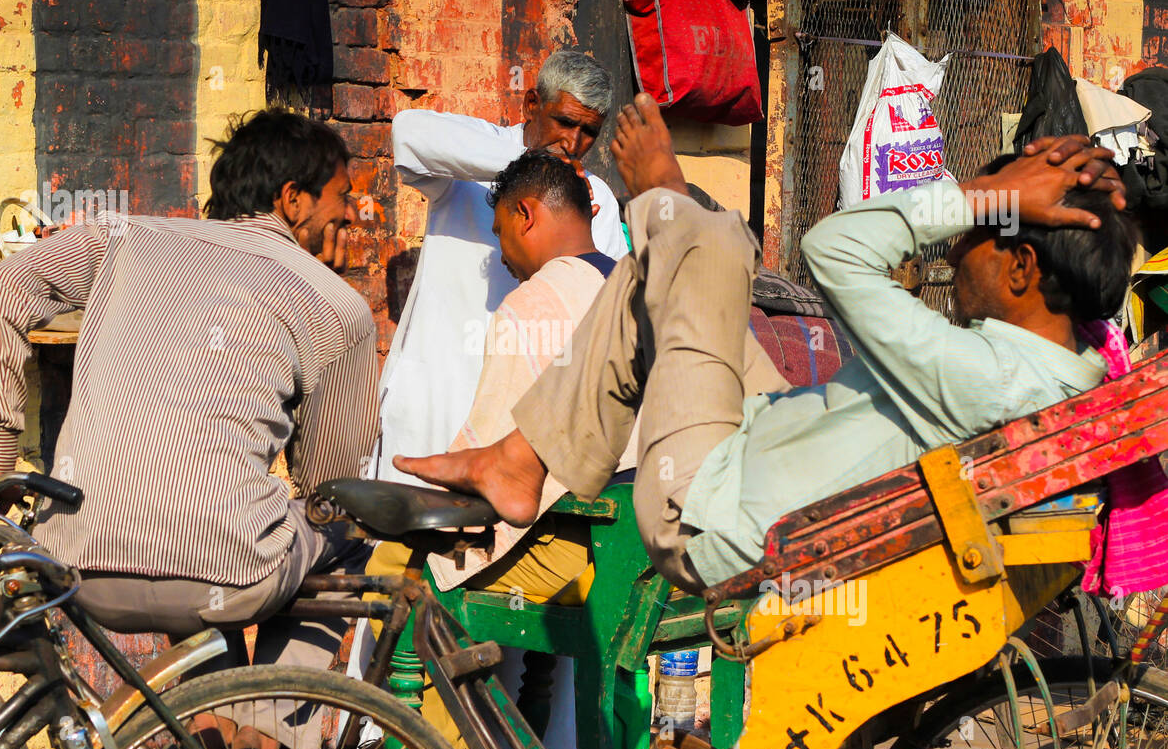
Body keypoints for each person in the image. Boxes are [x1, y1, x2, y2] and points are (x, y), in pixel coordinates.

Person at [396, 93, 1136, 596]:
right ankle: (521, 457)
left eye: (974, 234)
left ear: (1021, 267)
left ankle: (522, 452)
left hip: (709, 510)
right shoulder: (1053, 366)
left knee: (693, 240)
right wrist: (1012, 190)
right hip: (764, 444)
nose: (954, 249)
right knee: (683, 254)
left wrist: (991, 193)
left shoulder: (990, 376)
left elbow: (835, 247)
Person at [0, 108, 377, 749]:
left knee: (227, 527)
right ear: (293, 199)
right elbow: (332, 485)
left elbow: (5, 287)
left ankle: (208, 725)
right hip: (227, 582)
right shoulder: (334, 303)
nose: (351, 215)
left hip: (78, 564)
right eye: (341, 197)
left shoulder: (124, 238)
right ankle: (269, 735)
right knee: (338, 530)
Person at [365, 149, 635, 749]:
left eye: (502, 236)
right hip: (634, 542)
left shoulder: (535, 305)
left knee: (403, 572)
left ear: (526, 213)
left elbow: (489, 463)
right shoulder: (627, 288)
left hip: (577, 546)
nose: (504, 258)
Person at [373, 50, 628, 485]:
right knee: (402, 537)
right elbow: (407, 133)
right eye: (565, 122)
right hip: (436, 388)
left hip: (519, 405)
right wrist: (533, 169)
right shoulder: (474, 157)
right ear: (532, 105)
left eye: (589, 132)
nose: (574, 143)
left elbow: (602, 305)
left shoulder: (593, 196)